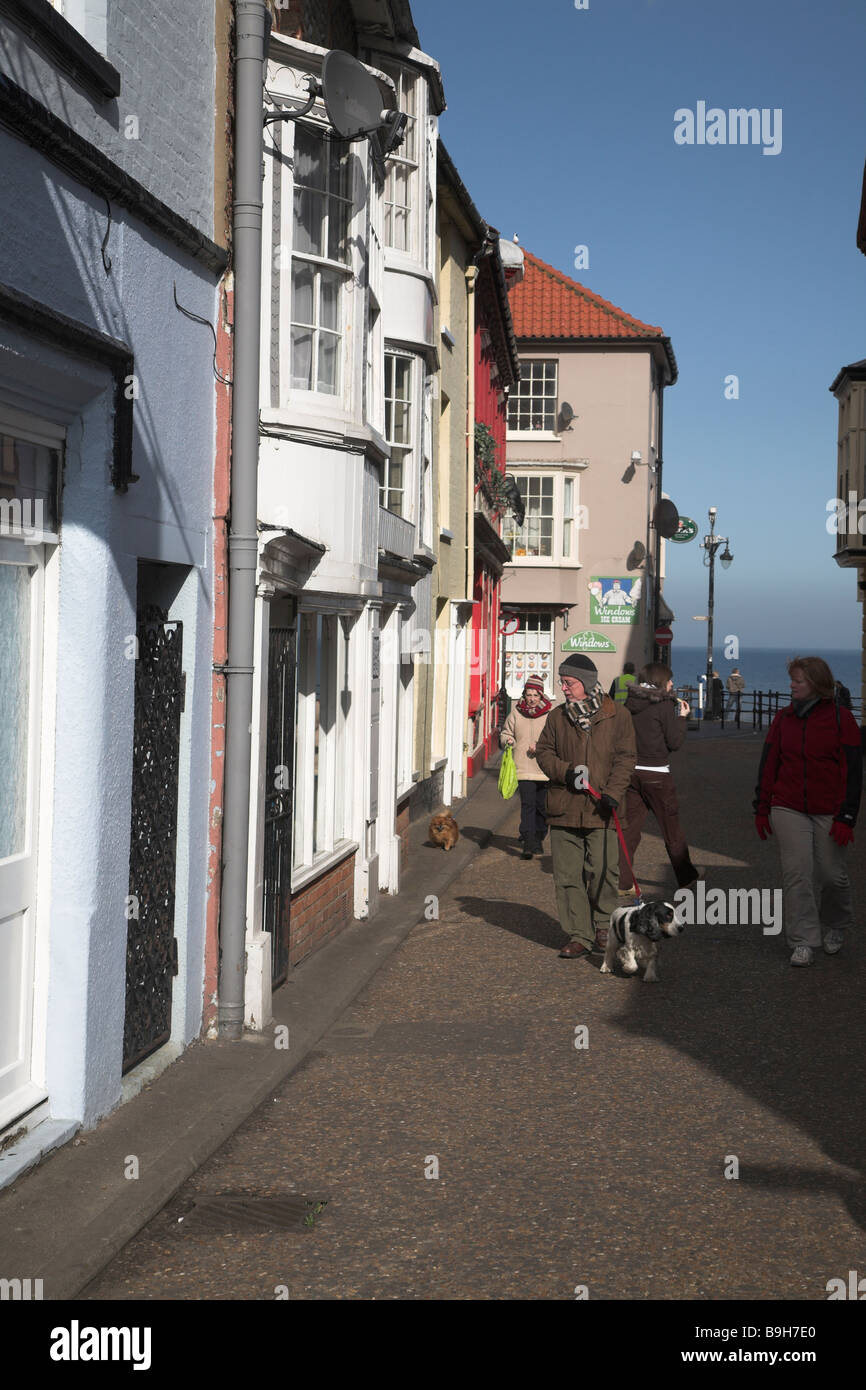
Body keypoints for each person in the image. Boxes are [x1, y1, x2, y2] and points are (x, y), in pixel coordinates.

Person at [753, 656, 862, 966]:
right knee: (797, 874)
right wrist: (762, 807)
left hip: (830, 809)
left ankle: (837, 924)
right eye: (792, 680)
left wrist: (847, 816)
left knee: (831, 875)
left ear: (816, 685)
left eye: (798, 681)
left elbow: (853, 774)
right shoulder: (783, 719)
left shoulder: (842, 720)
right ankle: (803, 940)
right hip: (787, 806)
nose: (791, 685)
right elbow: (769, 764)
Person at [535, 654, 636, 959]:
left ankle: (604, 927)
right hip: (564, 807)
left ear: (587, 684)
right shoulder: (556, 718)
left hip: (602, 809)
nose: (563, 688)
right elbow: (543, 752)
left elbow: (625, 758)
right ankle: (580, 934)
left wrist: (614, 794)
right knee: (567, 875)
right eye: (562, 682)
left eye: (569, 682)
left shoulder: (618, 716)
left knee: (605, 871)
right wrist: (565, 771)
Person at [619, 663, 702, 896]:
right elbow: (674, 742)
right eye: (669, 680)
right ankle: (687, 878)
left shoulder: (630, 702)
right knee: (671, 829)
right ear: (660, 681)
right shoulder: (664, 705)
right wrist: (682, 718)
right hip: (657, 773)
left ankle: (622, 882)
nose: (672, 684)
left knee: (629, 829)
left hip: (632, 773)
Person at [499, 676, 553, 859]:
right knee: (527, 805)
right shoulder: (516, 712)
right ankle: (529, 842)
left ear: (541, 695)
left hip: (543, 769)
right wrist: (508, 739)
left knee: (542, 808)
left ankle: (538, 837)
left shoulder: (549, 714)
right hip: (522, 767)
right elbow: (506, 731)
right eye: (528, 694)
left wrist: (540, 746)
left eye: (535, 695)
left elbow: (555, 739)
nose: (531, 699)